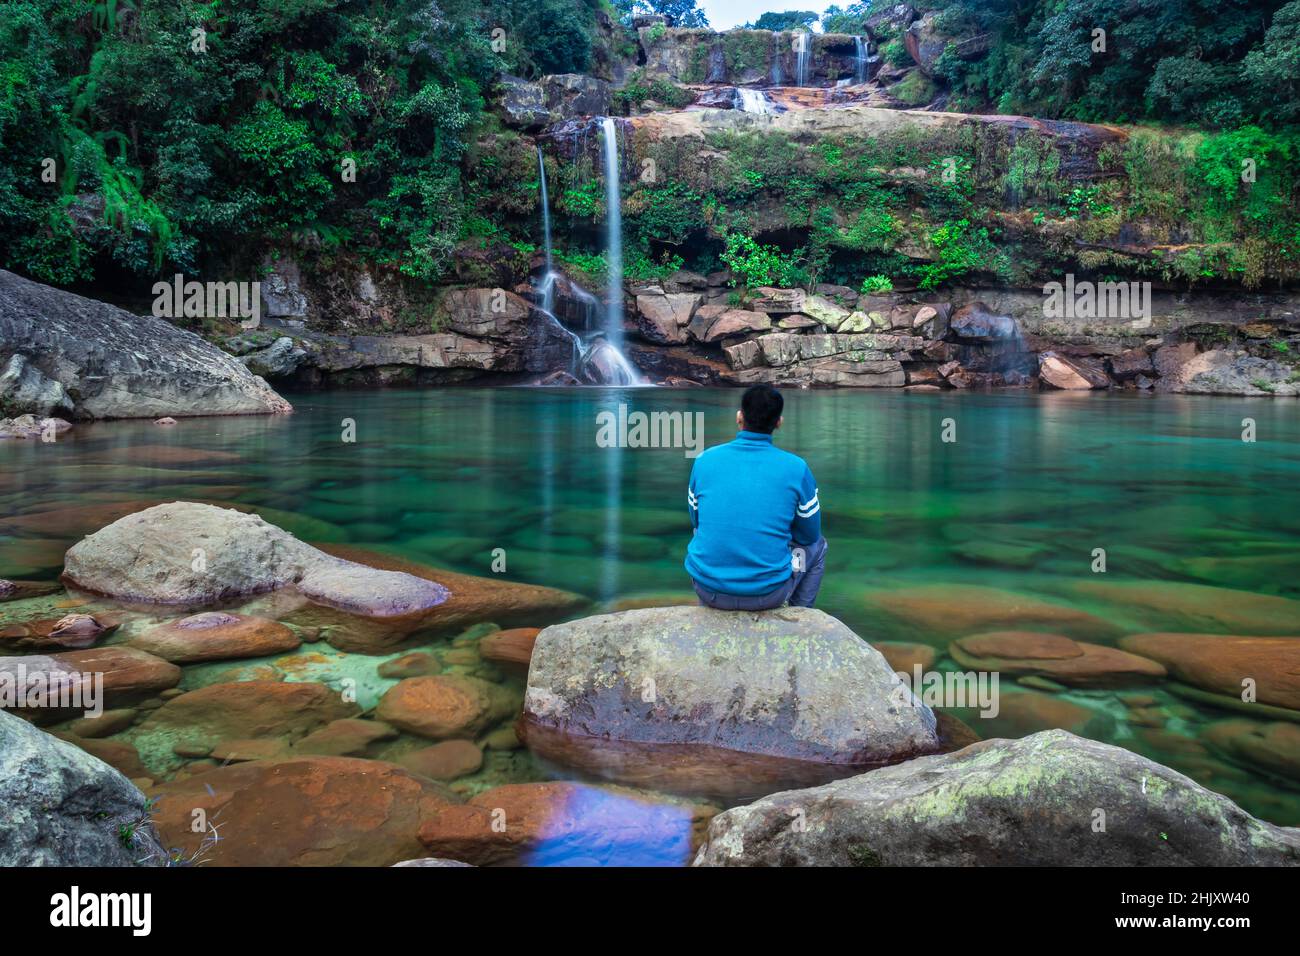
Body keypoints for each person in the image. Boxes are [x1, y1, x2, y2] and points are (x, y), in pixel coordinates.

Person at [685, 383, 827, 610]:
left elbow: (697, 521)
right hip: (769, 593)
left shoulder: (704, 460)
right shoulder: (796, 468)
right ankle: (801, 618)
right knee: (818, 546)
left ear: (739, 417)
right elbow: (809, 535)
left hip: (707, 588)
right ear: (779, 422)